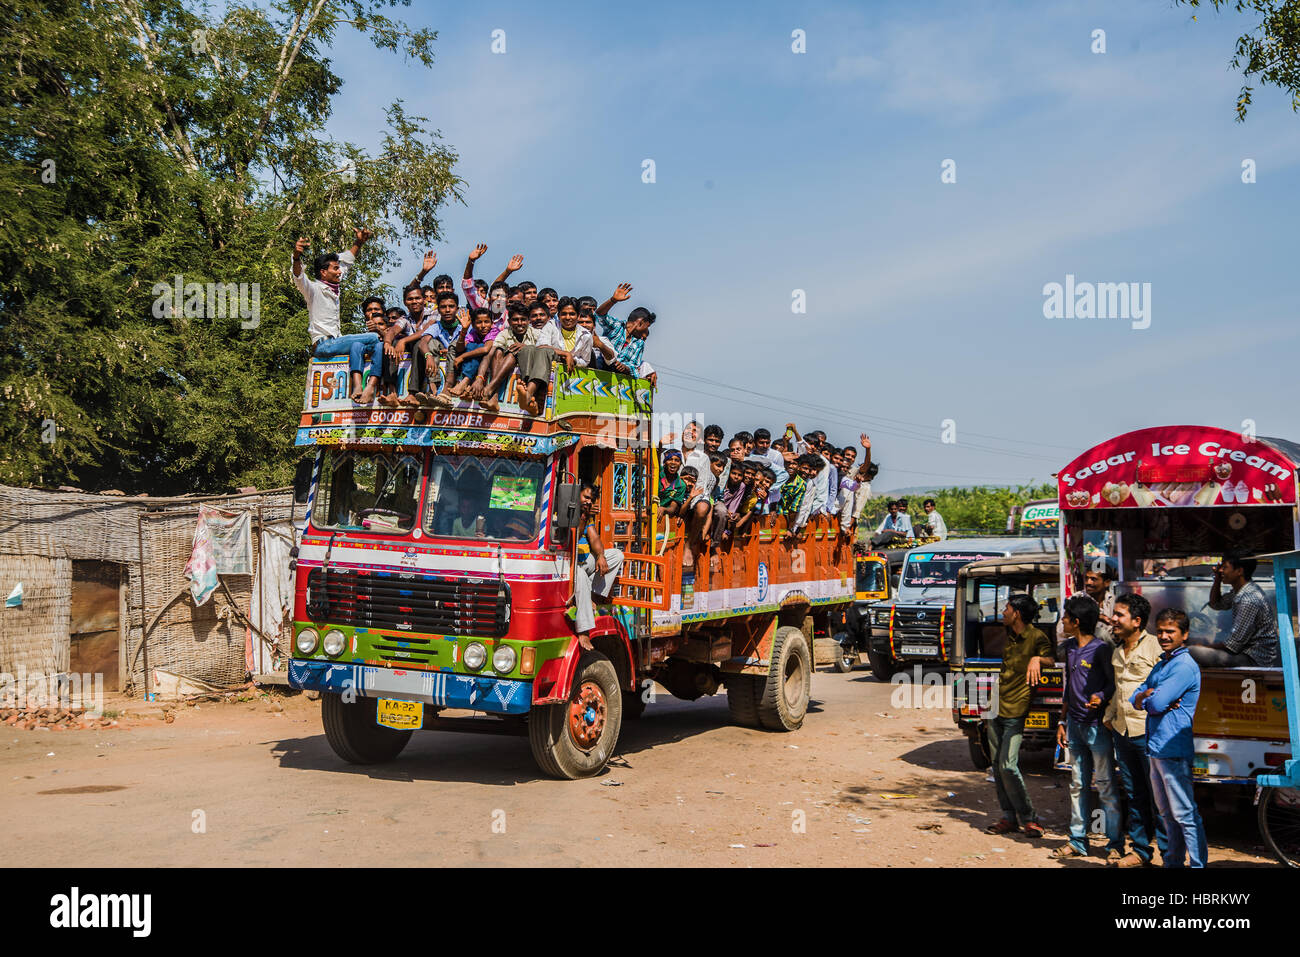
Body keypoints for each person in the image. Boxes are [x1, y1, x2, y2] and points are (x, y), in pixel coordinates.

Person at [1132, 608, 1207, 868]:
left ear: (1184, 635)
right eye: (1160, 631)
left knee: (1185, 814)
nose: (1164, 636)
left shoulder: (1184, 666)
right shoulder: (1163, 663)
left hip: (1172, 747)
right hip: (1157, 748)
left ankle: (1197, 864)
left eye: (1170, 631)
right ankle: (1173, 862)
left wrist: (1151, 698)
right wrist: (1148, 696)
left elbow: (1156, 703)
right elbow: (1137, 697)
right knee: (1167, 814)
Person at [1052, 594, 1124, 861]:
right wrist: (1062, 721)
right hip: (1075, 725)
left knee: (1105, 785)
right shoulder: (1069, 648)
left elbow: (1112, 683)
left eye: (1066, 617)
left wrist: (1101, 697)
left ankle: (1115, 843)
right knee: (1077, 784)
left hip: (1097, 727)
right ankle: (1077, 840)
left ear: (1076, 621)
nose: (1062, 622)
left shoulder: (1101, 649)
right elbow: (1069, 689)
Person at [1103, 593, 1168, 868]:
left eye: (1119, 615)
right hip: (1123, 732)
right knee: (1134, 794)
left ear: (1137, 621)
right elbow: (1120, 689)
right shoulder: (1118, 650)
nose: (1113, 619)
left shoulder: (1156, 647)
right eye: (1114, 614)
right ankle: (1140, 850)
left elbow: (1166, 687)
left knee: (1159, 798)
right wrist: (1109, 715)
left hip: (1149, 733)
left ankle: (1170, 854)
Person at [985, 593, 1054, 839]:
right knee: (997, 766)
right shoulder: (1010, 636)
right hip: (995, 707)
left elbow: (1051, 659)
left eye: (1006, 608)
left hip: (1015, 711)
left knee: (1008, 765)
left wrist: (1037, 659)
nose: (1003, 612)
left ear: (1017, 613)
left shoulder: (1036, 637)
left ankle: (1030, 818)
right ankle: (1008, 817)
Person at [292, 229, 380, 404]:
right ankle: (372, 384)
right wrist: (296, 256)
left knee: (358, 345)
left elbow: (347, 260)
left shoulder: (333, 285)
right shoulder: (314, 289)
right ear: (323, 272)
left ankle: (359, 387)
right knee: (374, 337)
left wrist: (359, 242)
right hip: (324, 344)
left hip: (336, 342)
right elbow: (298, 276)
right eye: (335, 268)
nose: (340, 271)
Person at [1194, 553, 1281, 667]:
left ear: (1239, 571)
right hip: (1242, 654)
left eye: (1224, 567)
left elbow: (1233, 645)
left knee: (1192, 651)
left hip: (1254, 660)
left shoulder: (1248, 599)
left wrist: (1203, 648)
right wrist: (1217, 580)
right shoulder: (1240, 591)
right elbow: (1216, 604)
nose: (1220, 570)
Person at [574, 484, 624, 652]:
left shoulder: (587, 517)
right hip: (567, 563)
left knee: (617, 555)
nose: (588, 502)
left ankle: (593, 597)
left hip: (583, 560)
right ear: (576, 494)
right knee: (579, 573)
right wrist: (580, 515)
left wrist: (601, 556)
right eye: (585, 497)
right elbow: (570, 538)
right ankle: (584, 630)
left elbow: (595, 539)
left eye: (591, 500)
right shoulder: (564, 512)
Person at [593, 283, 654, 375]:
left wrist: (626, 368)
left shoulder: (639, 343)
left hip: (619, 379)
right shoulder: (616, 326)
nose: (646, 331)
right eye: (647, 326)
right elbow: (599, 315)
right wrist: (613, 300)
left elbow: (635, 365)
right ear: (640, 323)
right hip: (600, 369)